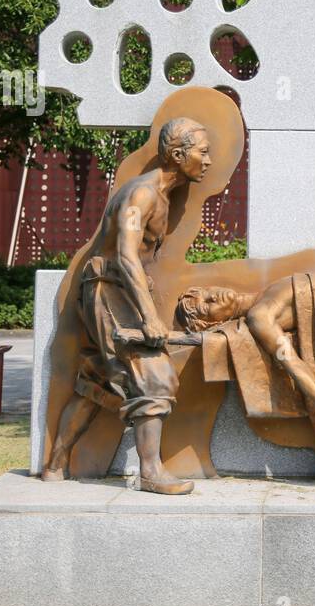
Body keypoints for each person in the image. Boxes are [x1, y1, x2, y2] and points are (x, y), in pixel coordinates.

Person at [42, 117, 211, 494]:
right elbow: (126, 254)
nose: (209, 160)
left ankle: (54, 464)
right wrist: (149, 317)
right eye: (203, 151)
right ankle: (150, 471)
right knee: (154, 374)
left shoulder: (163, 196)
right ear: (178, 154)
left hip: (119, 290)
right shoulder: (142, 194)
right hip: (109, 287)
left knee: (101, 378)